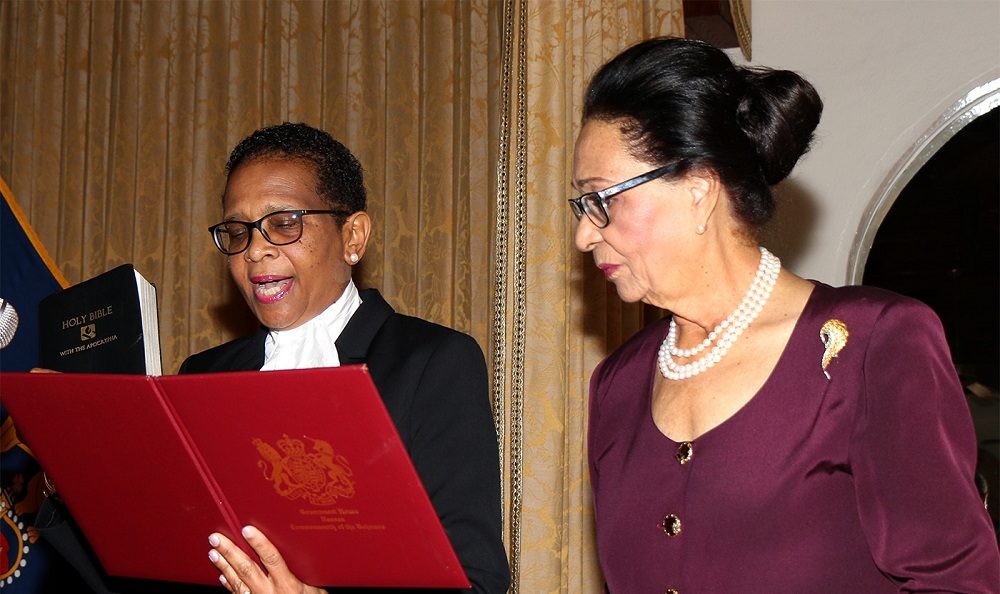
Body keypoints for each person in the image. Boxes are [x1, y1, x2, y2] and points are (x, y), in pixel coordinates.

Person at [570, 37, 1000, 592]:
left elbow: (956, 582)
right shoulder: (617, 384)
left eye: (601, 199)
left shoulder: (870, 345)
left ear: (699, 191)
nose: (584, 234)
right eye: (581, 208)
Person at [180, 122, 510, 594]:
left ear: (353, 236)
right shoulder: (202, 377)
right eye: (238, 231)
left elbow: (476, 582)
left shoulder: (431, 364)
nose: (255, 251)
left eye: (284, 223)